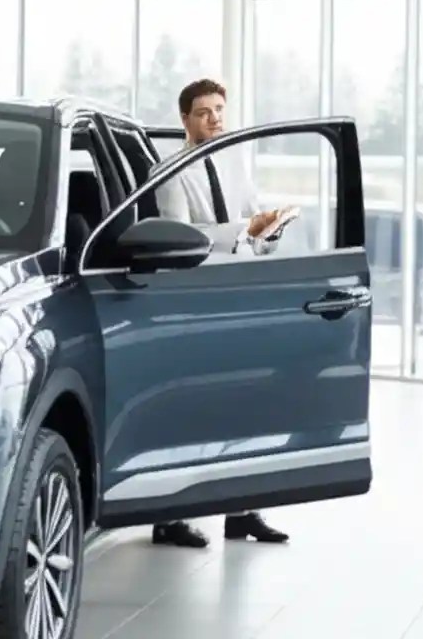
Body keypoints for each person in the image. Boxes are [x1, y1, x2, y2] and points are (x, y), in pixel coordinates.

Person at [147, 78, 290, 549]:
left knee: (242, 403)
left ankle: (241, 511)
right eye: (204, 111)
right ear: (185, 119)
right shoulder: (169, 170)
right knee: (191, 409)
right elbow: (180, 236)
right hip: (197, 301)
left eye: (220, 109)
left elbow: (249, 222)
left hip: (238, 294)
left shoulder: (233, 160)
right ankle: (170, 517)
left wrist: (268, 229)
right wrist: (241, 229)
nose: (215, 118)